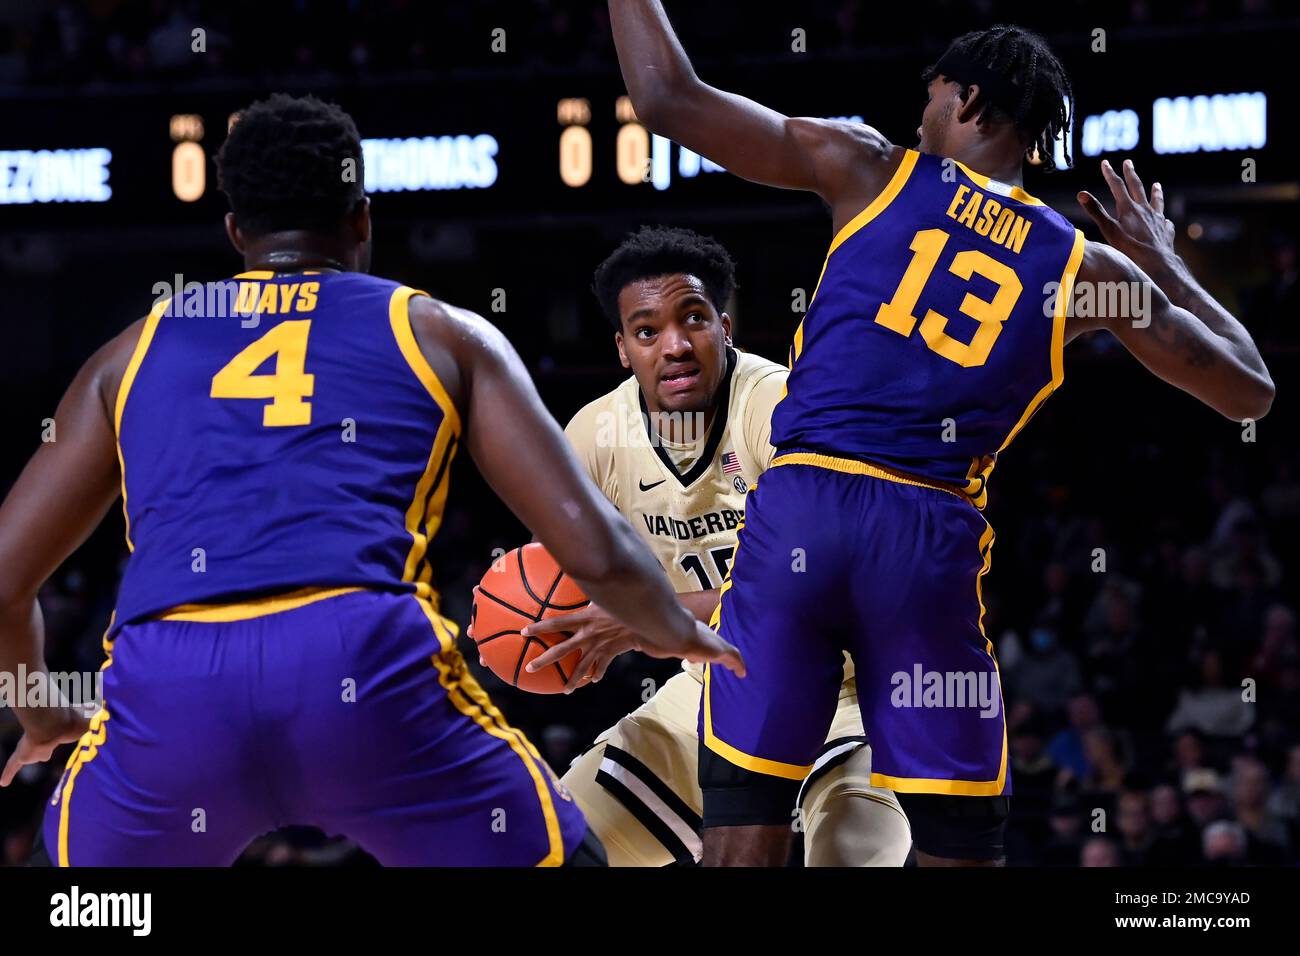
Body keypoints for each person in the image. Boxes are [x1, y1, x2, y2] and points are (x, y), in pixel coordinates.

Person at [572, 2, 1274, 866]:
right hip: (926, 538)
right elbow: (1250, 392)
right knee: (957, 844)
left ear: (972, 103)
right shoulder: (1084, 271)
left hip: (800, 512)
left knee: (739, 836)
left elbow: (668, 99)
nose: (920, 114)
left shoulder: (869, 166)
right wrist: (1166, 263)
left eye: (933, 97)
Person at [0, 93, 739, 866]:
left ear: (234, 232)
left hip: (171, 690)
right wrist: (675, 630)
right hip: (363, 671)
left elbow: (6, 582)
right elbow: (597, 551)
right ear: (361, 219)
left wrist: (42, 709)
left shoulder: (131, 353)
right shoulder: (440, 331)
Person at [532, 226, 909, 865]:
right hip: (714, 692)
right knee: (553, 845)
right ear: (623, 349)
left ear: (726, 327)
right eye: (647, 331)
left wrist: (644, 617)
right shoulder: (595, 434)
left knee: (854, 857)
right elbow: (556, 582)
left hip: (850, 690)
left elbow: (812, 592)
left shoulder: (779, 407)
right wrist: (535, 639)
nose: (675, 346)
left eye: (694, 319)